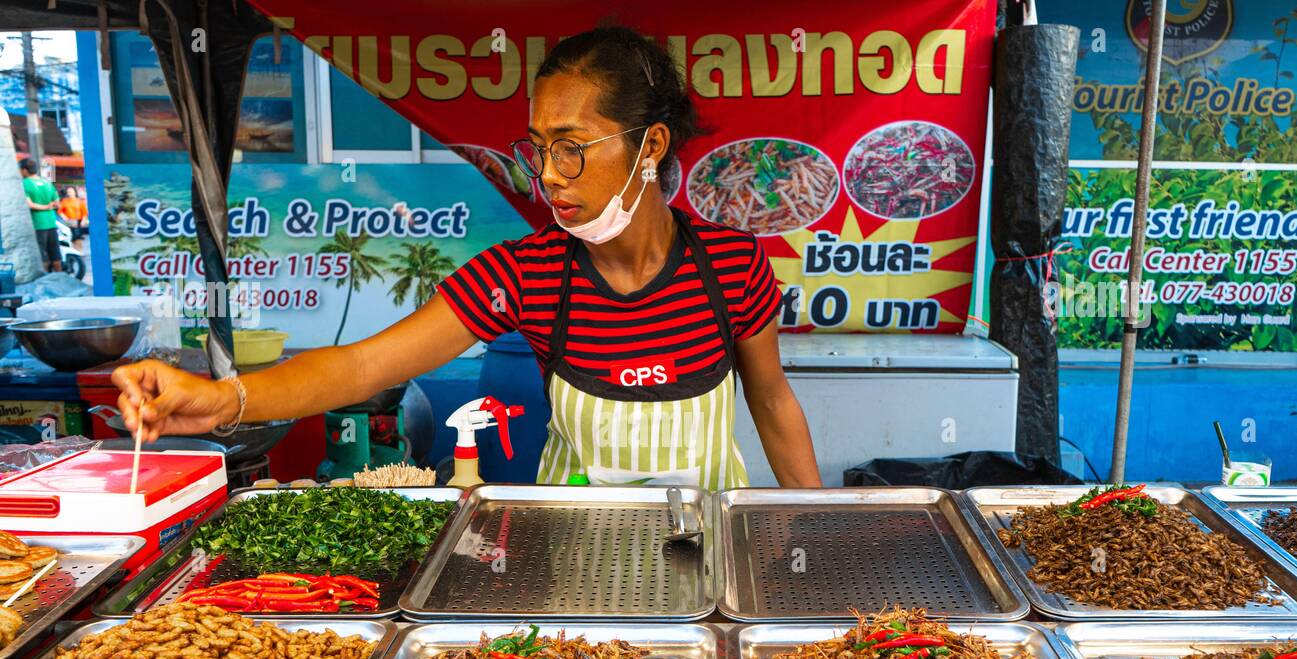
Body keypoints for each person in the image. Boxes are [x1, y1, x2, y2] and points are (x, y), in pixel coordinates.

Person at [113, 26, 821, 489]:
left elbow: (771, 400)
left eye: (571, 145)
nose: (548, 174)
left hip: (712, 549)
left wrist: (818, 529)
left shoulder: (733, 265)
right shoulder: (526, 273)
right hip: (578, 552)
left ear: (652, 146)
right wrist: (224, 399)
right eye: (539, 147)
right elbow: (364, 365)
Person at [19, 158, 61, 273]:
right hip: (51, 223)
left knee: (42, 256)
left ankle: (44, 282)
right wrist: (49, 206)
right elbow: (57, 204)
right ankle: (60, 281)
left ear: (24, 170)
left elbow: (30, 205)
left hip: (37, 224)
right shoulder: (47, 183)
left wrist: (45, 207)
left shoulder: (24, 183)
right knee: (55, 256)